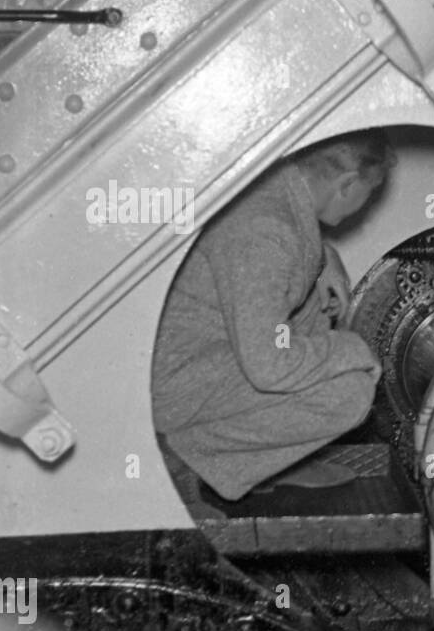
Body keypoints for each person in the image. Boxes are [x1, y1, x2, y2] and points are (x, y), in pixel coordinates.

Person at [152, 133, 391, 502]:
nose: (366, 205)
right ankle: (184, 456)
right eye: (370, 192)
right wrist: (353, 349)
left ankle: (273, 461)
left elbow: (268, 263)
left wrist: (326, 258)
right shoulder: (267, 232)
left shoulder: (274, 193)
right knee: (351, 392)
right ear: (347, 184)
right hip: (178, 386)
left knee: (315, 300)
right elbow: (268, 365)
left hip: (197, 361)